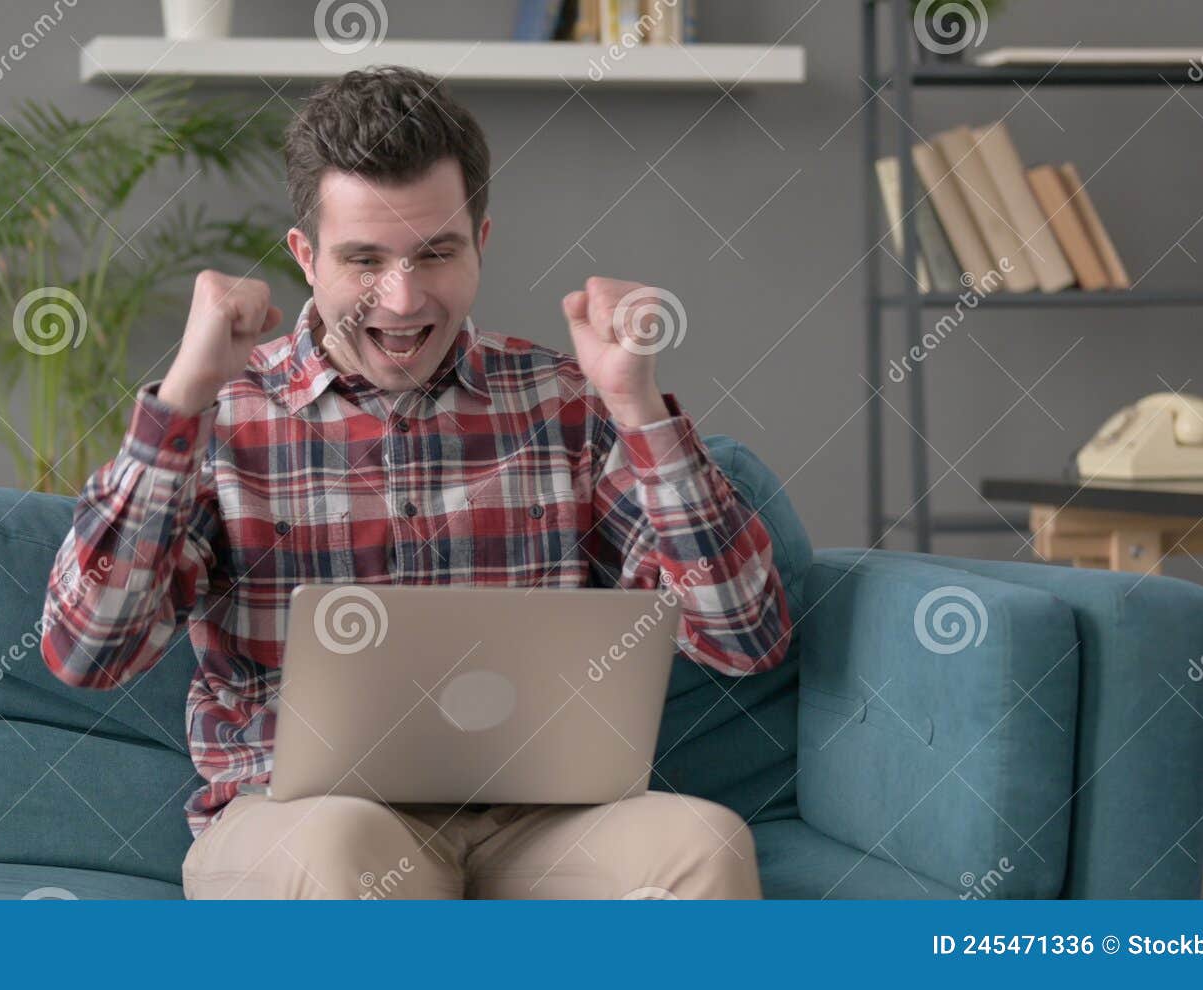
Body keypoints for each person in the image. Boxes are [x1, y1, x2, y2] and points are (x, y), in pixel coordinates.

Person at [40, 65, 791, 900]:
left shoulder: (568, 402)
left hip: (536, 824)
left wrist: (638, 404)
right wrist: (183, 397)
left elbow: (745, 639)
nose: (401, 301)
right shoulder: (226, 414)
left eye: (435, 252)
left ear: (482, 242)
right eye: (364, 259)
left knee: (702, 843)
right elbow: (87, 652)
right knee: (346, 851)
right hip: (302, 820)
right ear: (305, 257)